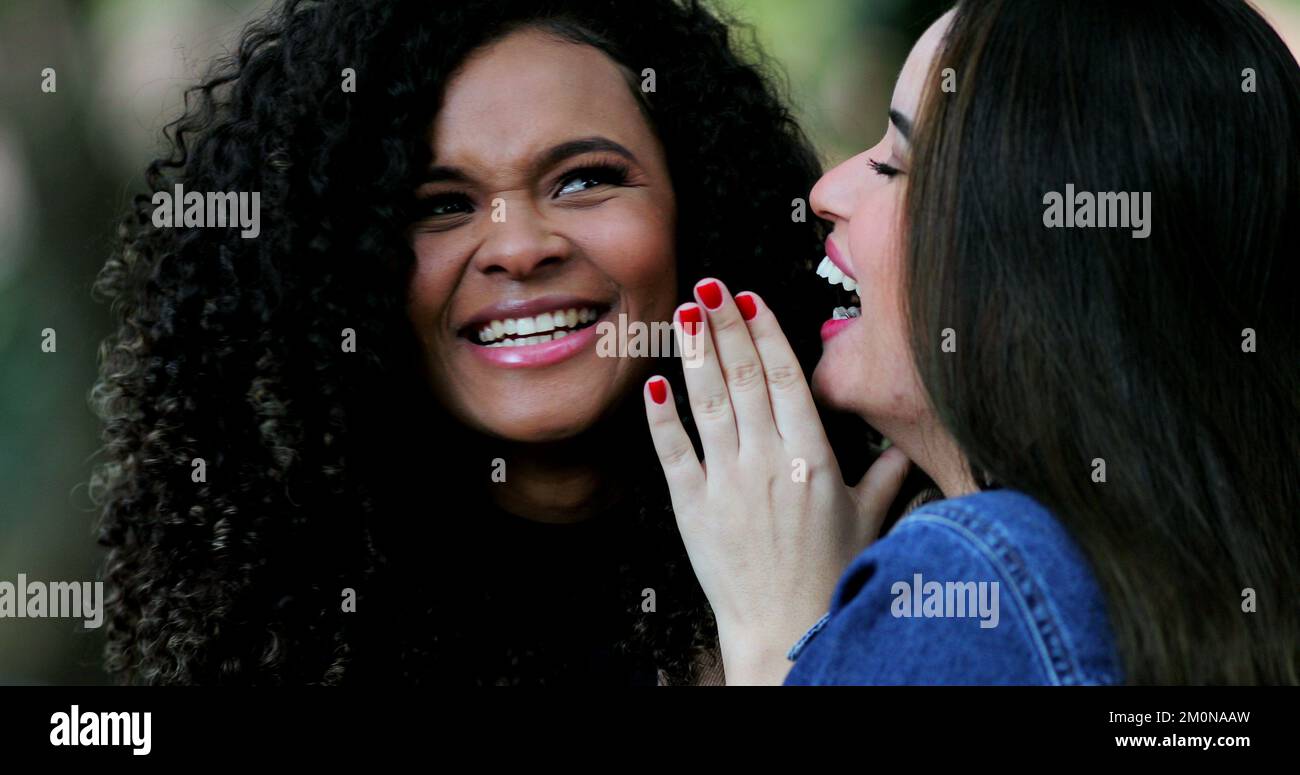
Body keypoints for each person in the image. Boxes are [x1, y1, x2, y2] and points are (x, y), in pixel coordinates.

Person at [92, 0, 837, 685]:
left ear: (697, 207)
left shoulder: (890, 539)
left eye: (582, 181)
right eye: (443, 205)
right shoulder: (286, 641)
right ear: (337, 273)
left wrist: (803, 615)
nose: (518, 247)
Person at [646, 0, 1299, 685]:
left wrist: (777, 633)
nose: (827, 188)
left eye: (895, 165)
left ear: (1037, 262)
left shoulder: (971, 579)